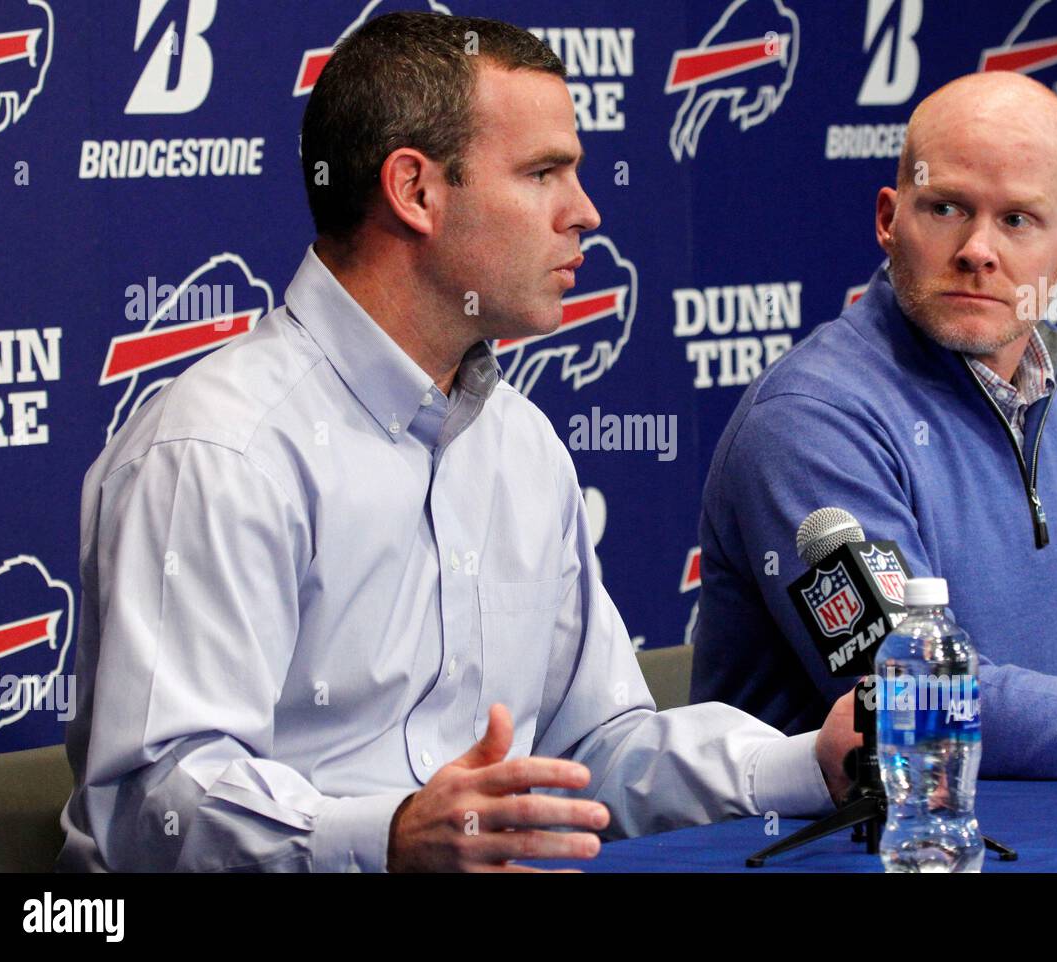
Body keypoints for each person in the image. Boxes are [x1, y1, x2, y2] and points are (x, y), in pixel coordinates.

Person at [57, 12, 855, 873]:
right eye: (544, 172)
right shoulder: (218, 451)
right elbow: (158, 804)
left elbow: (596, 749)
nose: (584, 212)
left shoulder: (521, 445)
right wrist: (390, 838)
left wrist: (808, 761)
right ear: (417, 191)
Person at [693, 71, 1057, 779]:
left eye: (1018, 220)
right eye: (945, 208)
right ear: (888, 219)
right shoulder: (809, 421)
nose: (977, 249)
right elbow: (921, 698)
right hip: (865, 852)